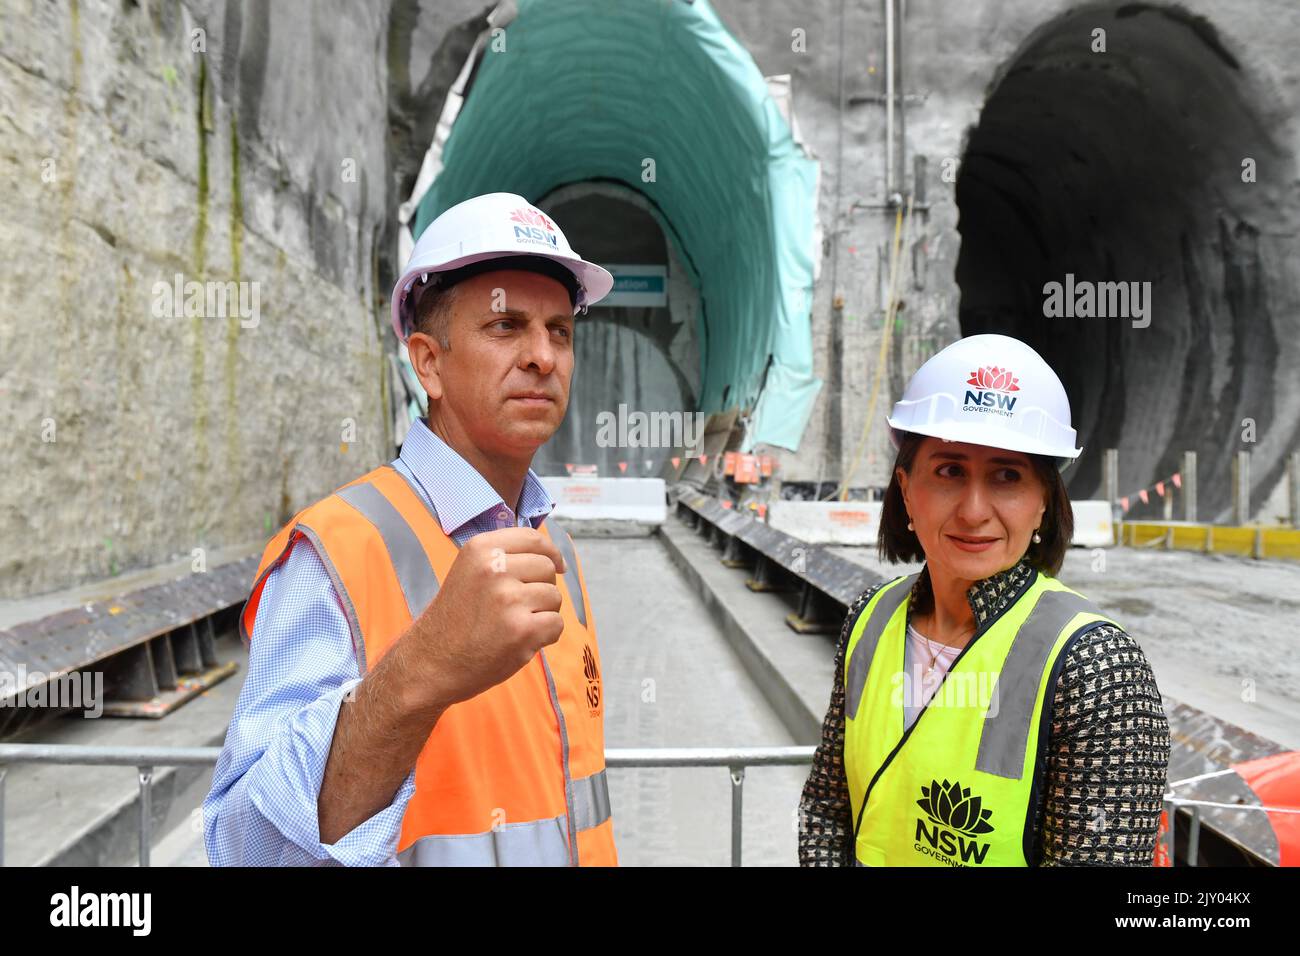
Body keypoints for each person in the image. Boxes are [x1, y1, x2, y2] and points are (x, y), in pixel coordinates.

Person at [204, 192, 618, 866]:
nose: (543, 355)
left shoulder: (555, 548)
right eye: (506, 326)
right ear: (427, 363)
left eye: (559, 330)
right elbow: (246, 845)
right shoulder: (338, 549)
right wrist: (421, 671)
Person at [798, 333, 1170, 866]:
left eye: (1007, 476)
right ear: (906, 489)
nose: (974, 511)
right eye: (949, 471)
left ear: (1043, 500)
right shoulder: (870, 619)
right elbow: (829, 807)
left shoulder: (1096, 668)